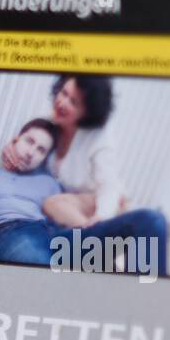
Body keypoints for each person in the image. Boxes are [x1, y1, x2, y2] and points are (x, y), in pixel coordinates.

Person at [0, 118, 168, 274]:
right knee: (47, 284)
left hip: (57, 237)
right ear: (15, 140)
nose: (30, 152)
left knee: (151, 220)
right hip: (9, 234)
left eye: (40, 150)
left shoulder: (47, 181)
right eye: (29, 142)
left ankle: (146, 309)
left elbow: (81, 199)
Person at [39, 74, 125, 227]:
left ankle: (97, 236)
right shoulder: (53, 125)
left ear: (87, 113)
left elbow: (109, 186)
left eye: (73, 102)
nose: (62, 103)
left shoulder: (99, 137)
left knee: (52, 204)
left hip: (100, 202)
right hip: (73, 206)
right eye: (63, 93)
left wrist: (102, 216)